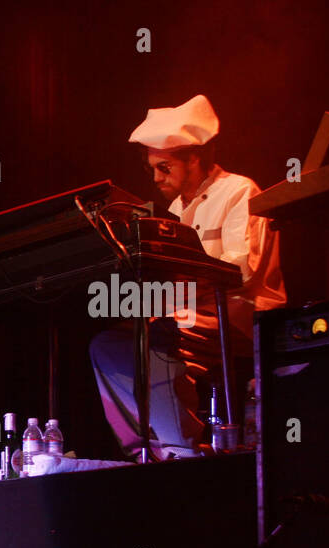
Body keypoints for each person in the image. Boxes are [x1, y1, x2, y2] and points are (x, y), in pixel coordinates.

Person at [89, 94, 286, 459]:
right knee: (108, 344)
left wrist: (174, 285)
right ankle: (150, 451)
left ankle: (184, 449)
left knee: (157, 334)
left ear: (194, 158)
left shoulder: (239, 190)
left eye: (164, 167)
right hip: (194, 317)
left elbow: (242, 272)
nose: (156, 177)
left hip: (241, 315)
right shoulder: (176, 208)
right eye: (152, 169)